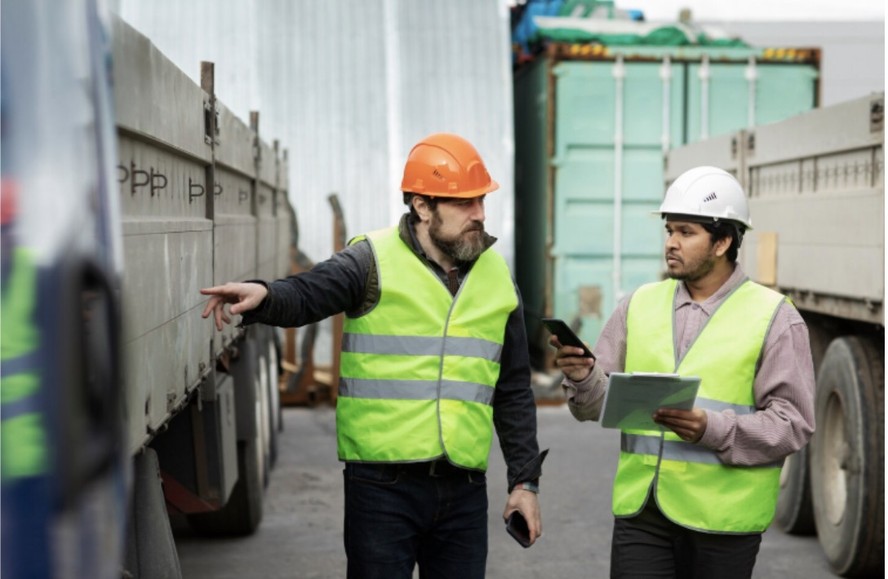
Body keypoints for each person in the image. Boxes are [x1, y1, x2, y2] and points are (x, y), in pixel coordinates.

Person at [201, 133, 547, 579]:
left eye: (481, 201)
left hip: (463, 489)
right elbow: (311, 292)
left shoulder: (498, 276)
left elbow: (514, 388)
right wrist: (266, 295)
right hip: (382, 490)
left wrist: (524, 482)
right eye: (464, 204)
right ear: (422, 206)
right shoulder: (372, 260)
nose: (479, 215)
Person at [553, 166, 815, 578]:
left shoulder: (775, 318)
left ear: (723, 242)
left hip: (723, 522)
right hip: (643, 513)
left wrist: (711, 428)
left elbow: (793, 423)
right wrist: (584, 377)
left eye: (686, 232)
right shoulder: (637, 305)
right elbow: (593, 408)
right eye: (669, 230)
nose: (671, 243)